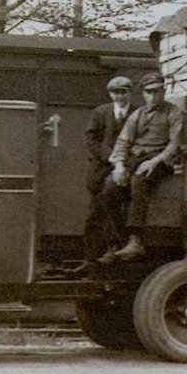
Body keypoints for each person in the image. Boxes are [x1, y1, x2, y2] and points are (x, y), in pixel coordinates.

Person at [107, 72, 186, 260]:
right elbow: (123, 142)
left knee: (139, 180)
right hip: (137, 158)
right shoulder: (137, 115)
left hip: (161, 160)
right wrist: (119, 165)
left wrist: (155, 161)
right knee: (109, 187)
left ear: (163, 91)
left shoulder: (174, 113)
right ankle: (117, 243)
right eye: (149, 92)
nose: (153, 96)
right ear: (143, 93)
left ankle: (136, 240)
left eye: (157, 91)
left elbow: (175, 144)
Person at [78, 77, 134, 267]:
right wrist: (111, 157)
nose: (119, 96)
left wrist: (124, 163)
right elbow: (91, 139)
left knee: (117, 209)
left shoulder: (137, 113)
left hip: (126, 170)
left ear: (129, 93)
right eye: (116, 93)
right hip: (101, 170)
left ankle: (115, 250)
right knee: (95, 213)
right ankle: (91, 257)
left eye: (123, 92)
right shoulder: (101, 112)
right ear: (110, 94)